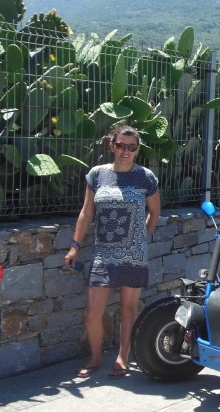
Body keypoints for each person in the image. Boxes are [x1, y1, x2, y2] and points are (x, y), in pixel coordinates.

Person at [65, 125, 161, 379]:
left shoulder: (146, 177)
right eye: (121, 145)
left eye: (132, 147)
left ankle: (122, 356)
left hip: (133, 253)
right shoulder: (97, 175)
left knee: (128, 309)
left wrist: (141, 237)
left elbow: (155, 212)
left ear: (138, 149)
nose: (126, 151)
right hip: (103, 252)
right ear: (112, 145)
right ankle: (96, 357)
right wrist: (75, 245)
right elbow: (87, 213)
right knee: (92, 312)